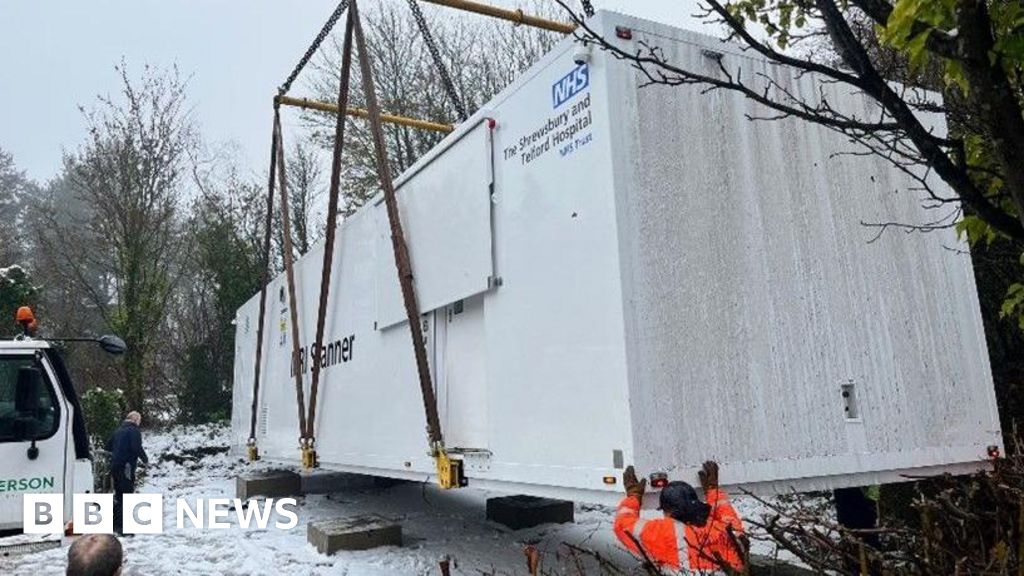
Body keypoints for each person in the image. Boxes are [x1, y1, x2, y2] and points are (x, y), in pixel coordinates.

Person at [614, 461, 747, 574]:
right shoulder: (722, 529)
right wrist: (713, 491)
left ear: (667, 510)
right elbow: (729, 518)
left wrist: (634, 495)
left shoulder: (664, 533)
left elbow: (622, 524)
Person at [106, 411, 148, 535]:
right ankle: (123, 528)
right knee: (127, 495)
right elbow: (136, 447)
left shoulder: (118, 431)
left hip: (115, 467)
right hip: (127, 467)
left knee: (119, 495)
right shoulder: (133, 430)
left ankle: (115, 524)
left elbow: (107, 447)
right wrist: (145, 460)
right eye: (139, 420)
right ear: (135, 420)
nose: (139, 423)